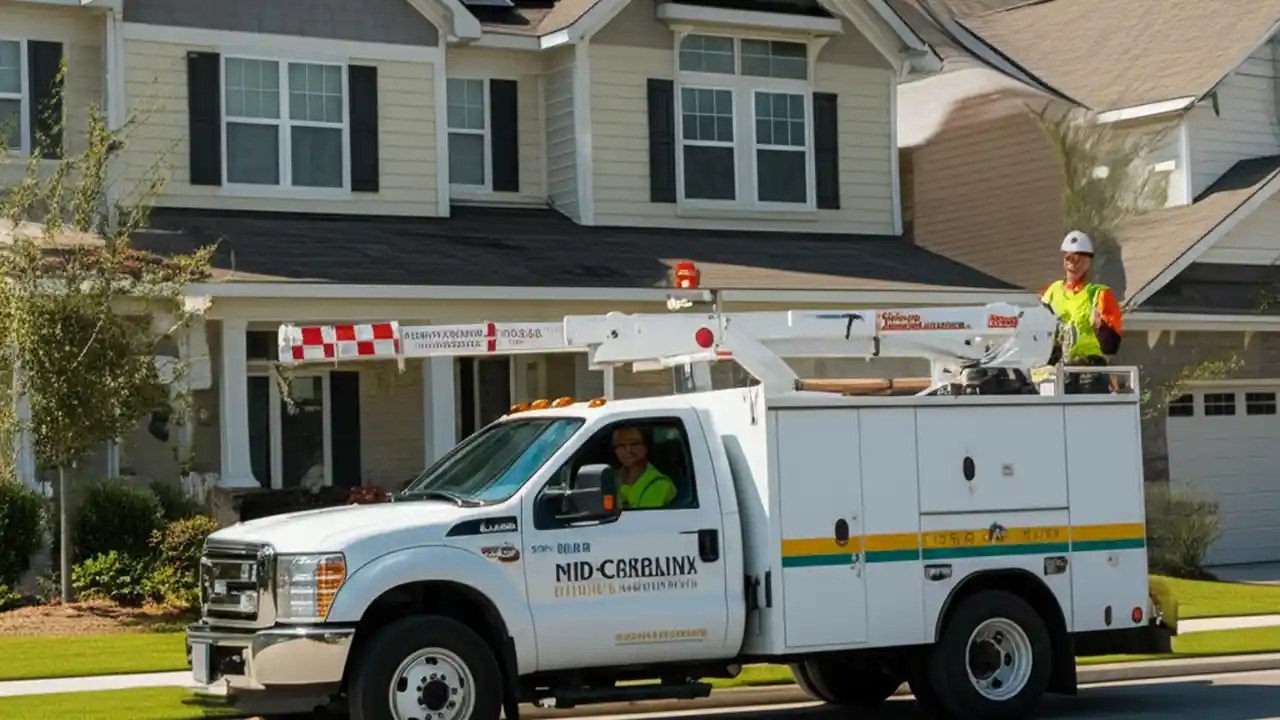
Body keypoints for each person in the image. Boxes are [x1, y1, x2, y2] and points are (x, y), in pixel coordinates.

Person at [1041, 230, 1124, 393]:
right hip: (1063, 368)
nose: (1073, 263)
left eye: (1079, 258)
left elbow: (1112, 346)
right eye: (1069, 257)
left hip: (1091, 370)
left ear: (1088, 262)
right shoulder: (1053, 292)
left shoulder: (1100, 294)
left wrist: (1100, 326)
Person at [610, 426, 676, 509]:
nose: (628, 450)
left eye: (634, 444)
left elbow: (644, 519)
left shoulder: (660, 484)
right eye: (621, 445)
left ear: (646, 446)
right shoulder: (610, 479)